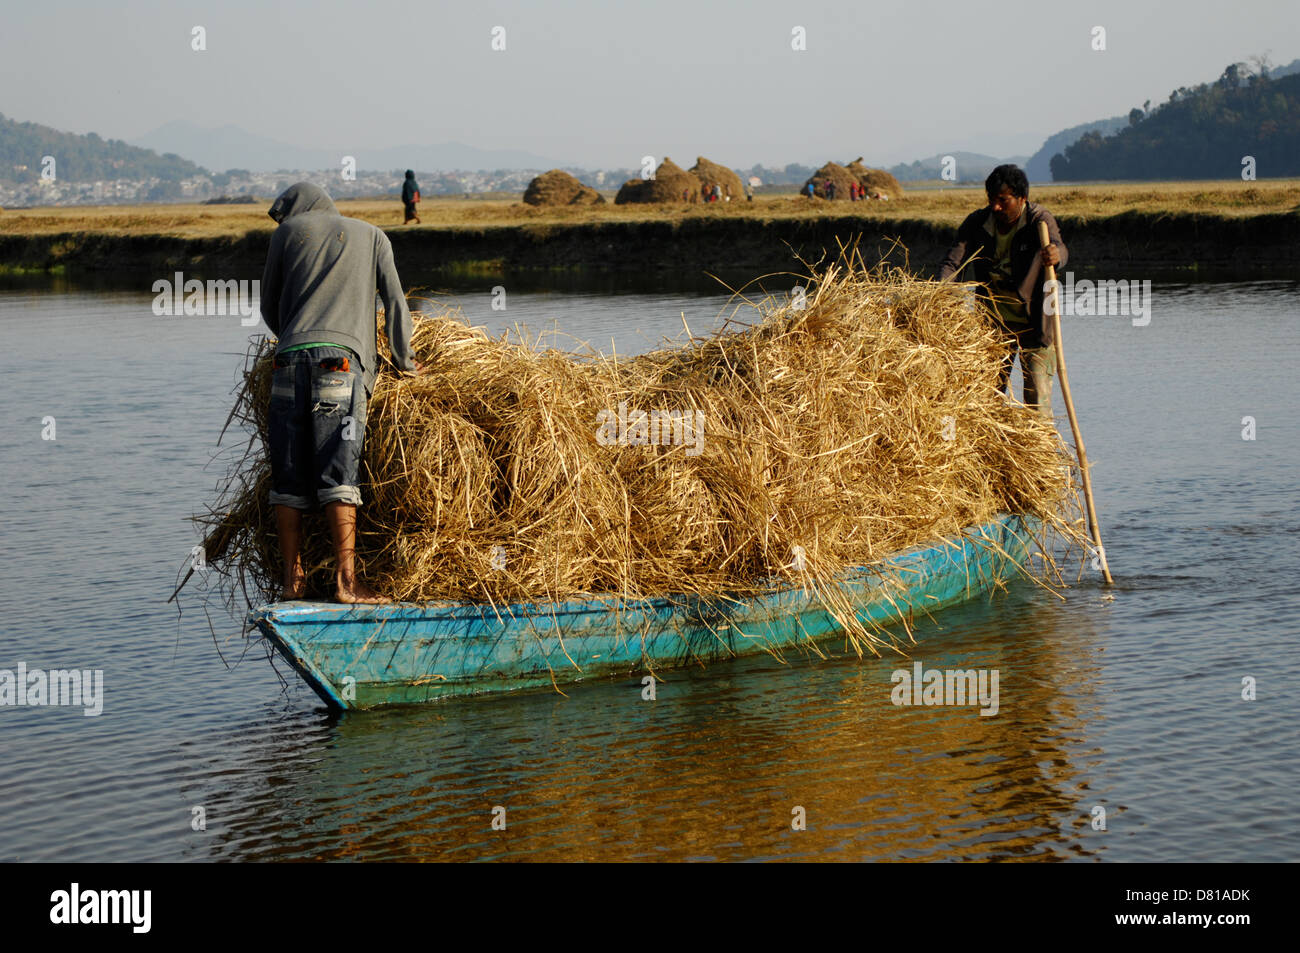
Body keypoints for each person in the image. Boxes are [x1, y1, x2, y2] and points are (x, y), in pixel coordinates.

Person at [259, 182, 422, 603]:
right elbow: (395, 301)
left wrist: (295, 335)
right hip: (341, 365)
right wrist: (404, 360)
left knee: (289, 475)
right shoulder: (372, 235)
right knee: (339, 469)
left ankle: (292, 582)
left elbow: (268, 305)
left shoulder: (285, 234)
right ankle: (347, 583)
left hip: (287, 363)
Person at [939, 164, 1066, 419]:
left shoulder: (1039, 221)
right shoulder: (978, 223)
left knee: (1037, 407)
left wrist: (1055, 255)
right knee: (987, 398)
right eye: (992, 200)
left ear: (1022, 199)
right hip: (993, 327)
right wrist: (938, 294)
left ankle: (1040, 455)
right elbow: (954, 262)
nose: (996, 207)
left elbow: (1060, 248)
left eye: (1003, 201)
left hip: (1035, 324)